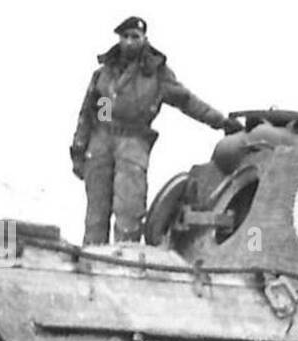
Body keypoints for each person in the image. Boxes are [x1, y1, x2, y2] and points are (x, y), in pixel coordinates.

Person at [71, 16, 244, 244]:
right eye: (125, 37)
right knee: (96, 213)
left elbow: (187, 101)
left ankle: (126, 264)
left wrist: (221, 122)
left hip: (133, 143)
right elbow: (89, 113)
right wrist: (79, 151)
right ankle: (90, 261)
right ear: (119, 39)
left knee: (128, 211)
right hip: (101, 141)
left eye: (135, 37)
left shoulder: (156, 74)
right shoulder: (105, 72)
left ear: (145, 39)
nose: (130, 42)